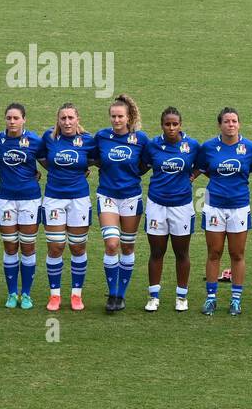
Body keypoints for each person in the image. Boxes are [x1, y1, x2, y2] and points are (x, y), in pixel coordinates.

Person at [198, 107, 252, 316]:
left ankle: (235, 299)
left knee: (237, 253)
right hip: (214, 205)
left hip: (240, 206)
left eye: (234, 121)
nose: (230, 125)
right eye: (226, 121)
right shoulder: (208, 147)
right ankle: (211, 298)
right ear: (220, 125)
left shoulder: (250, 148)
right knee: (214, 252)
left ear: (239, 124)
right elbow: (202, 170)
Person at [0, 102, 44, 310]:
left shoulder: (35, 140)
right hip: (6, 199)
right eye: (9, 118)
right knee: (10, 246)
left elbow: (48, 161)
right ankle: (12, 293)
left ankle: (26, 294)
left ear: (24, 119)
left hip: (30, 199)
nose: (12, 122)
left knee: (28, 247)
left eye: (16, 118)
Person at [94, 94, 148, 313]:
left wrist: (134, 173)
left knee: (127, 246)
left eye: (120, 116)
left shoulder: (140, 139)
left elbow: (148, 162)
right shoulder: (101, 137)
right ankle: (112, 291)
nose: (116, 120)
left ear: (128, 118)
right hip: (107, 196)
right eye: (113, 116)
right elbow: (91, 156)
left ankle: (121, 295)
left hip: (131, 197)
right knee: (112, 244)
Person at [39, 103, 95, 312]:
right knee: (55, 247)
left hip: (79, 199)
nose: (67, 122)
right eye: (63, 118)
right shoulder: (49, 138)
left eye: (71, 118)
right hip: (54, 198)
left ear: (78, 119)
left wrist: (83, 169)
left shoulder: (88, 140)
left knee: (78, 247)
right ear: (58, 120)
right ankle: (55, 296)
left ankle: (76, 294)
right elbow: (40, 156)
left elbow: (98, 158)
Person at [143, 107, 200, 312]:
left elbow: (202, 165)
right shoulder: (152, 145)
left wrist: (192, 176)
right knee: (156, 251)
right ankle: (153, 296)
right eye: (167, 124)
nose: (171, 128)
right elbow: (145, 165)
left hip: (182, 206)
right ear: (162, 125)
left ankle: (181, 297)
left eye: (175, 124)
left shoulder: (192, 145)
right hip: (156, 204)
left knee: (181, 252)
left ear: (180, 125)